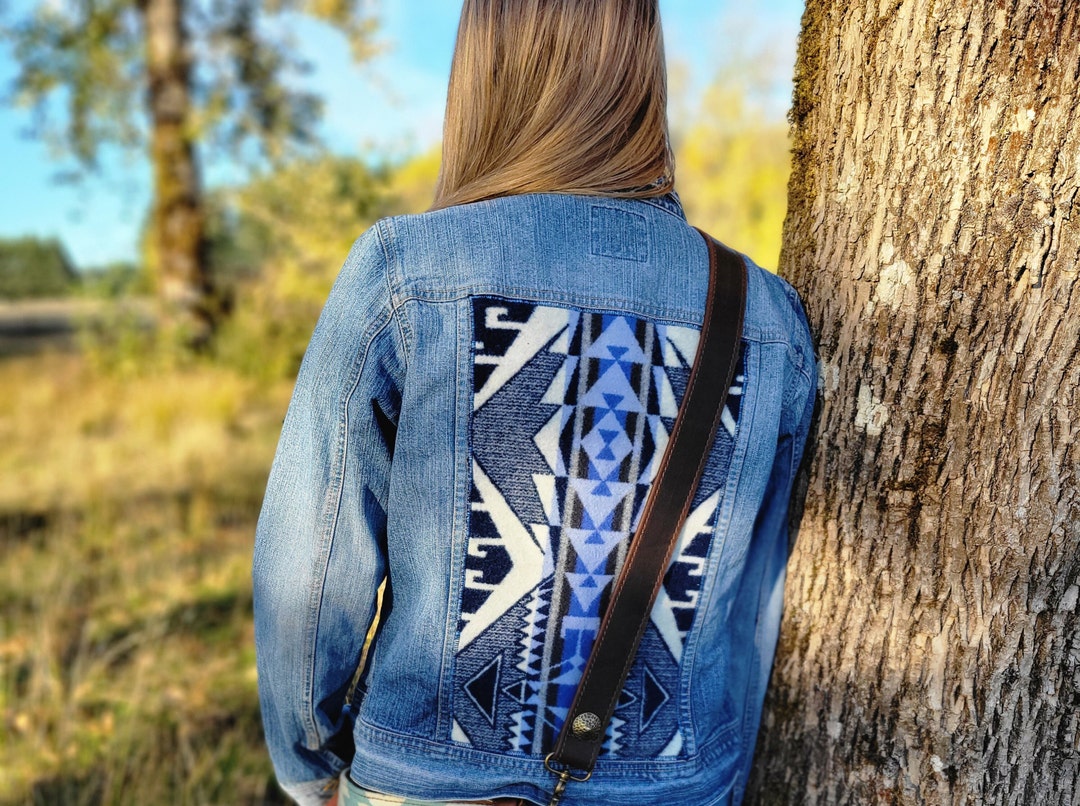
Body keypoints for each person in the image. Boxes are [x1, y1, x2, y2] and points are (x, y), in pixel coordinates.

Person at [252, 1, 816, 804]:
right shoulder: (763, 316)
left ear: (484, 77)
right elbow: (750, 606)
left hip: (427, 780)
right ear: (641, 77)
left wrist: (308, 766)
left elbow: (309, 571)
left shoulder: (405, 273)